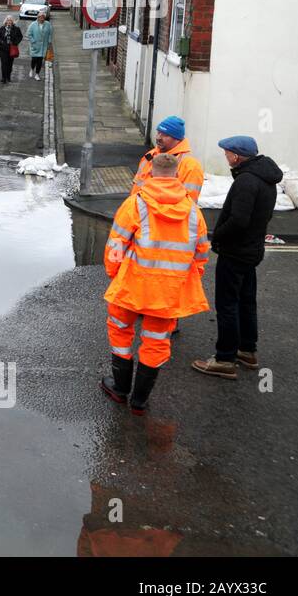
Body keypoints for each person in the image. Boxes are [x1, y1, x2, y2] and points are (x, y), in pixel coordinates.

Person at [100, 153, 210, 414]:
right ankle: (139, 401)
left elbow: (115, 245)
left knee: (120, 330)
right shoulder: (194, 213)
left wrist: (114, 274)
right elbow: (201, 254)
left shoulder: (135, 205)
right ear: (176, 175)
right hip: (168, 291)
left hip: (133, 285)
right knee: (156, 340)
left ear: (150, 173)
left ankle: (120, 388)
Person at [192, 136, 282, 379]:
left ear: (237, 156)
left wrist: (217, 236)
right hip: (251, 251)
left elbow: (239, 220)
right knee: (246, 301)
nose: (225, 156)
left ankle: (224, 359)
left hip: (236, 252)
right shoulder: (265, 178)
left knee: (228, 305)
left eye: (227, 152)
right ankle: (247, 350)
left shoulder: (247, 181)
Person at [131, 115, 205, 203]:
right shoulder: (150, 155)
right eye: (158, 132)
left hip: (164, 215)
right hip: (140, 210)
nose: (158, 137)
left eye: (165, 135)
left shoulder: (190, 166)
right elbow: (137, 185)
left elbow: (188, 204)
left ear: (177, 139)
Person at [26, 11, 54, 80]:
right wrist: (33, 41)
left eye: (43, 17)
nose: (42, 18)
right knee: (34, 60)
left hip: (44, 46)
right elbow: (29, 34)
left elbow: (50, 33)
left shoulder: (48, 24)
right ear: (38, 17)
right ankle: (32, 69)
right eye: (40, 17)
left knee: (40, 61)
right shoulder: (33, 24)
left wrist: (49, 42)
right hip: (35, 45)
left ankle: (37, 74)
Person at [0, 15, 23, 84]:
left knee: (10, 64)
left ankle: (8, 77)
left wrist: (15, 43)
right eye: (8, 20)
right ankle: (3, 78)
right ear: (6, 21)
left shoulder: (16, 28)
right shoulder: (2, 28)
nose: (9, 21)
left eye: (10, 20)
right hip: (3, 49)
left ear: (12, 21)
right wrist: (1, 42)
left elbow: (20, 36)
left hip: (12, 49)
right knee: (4, 63)